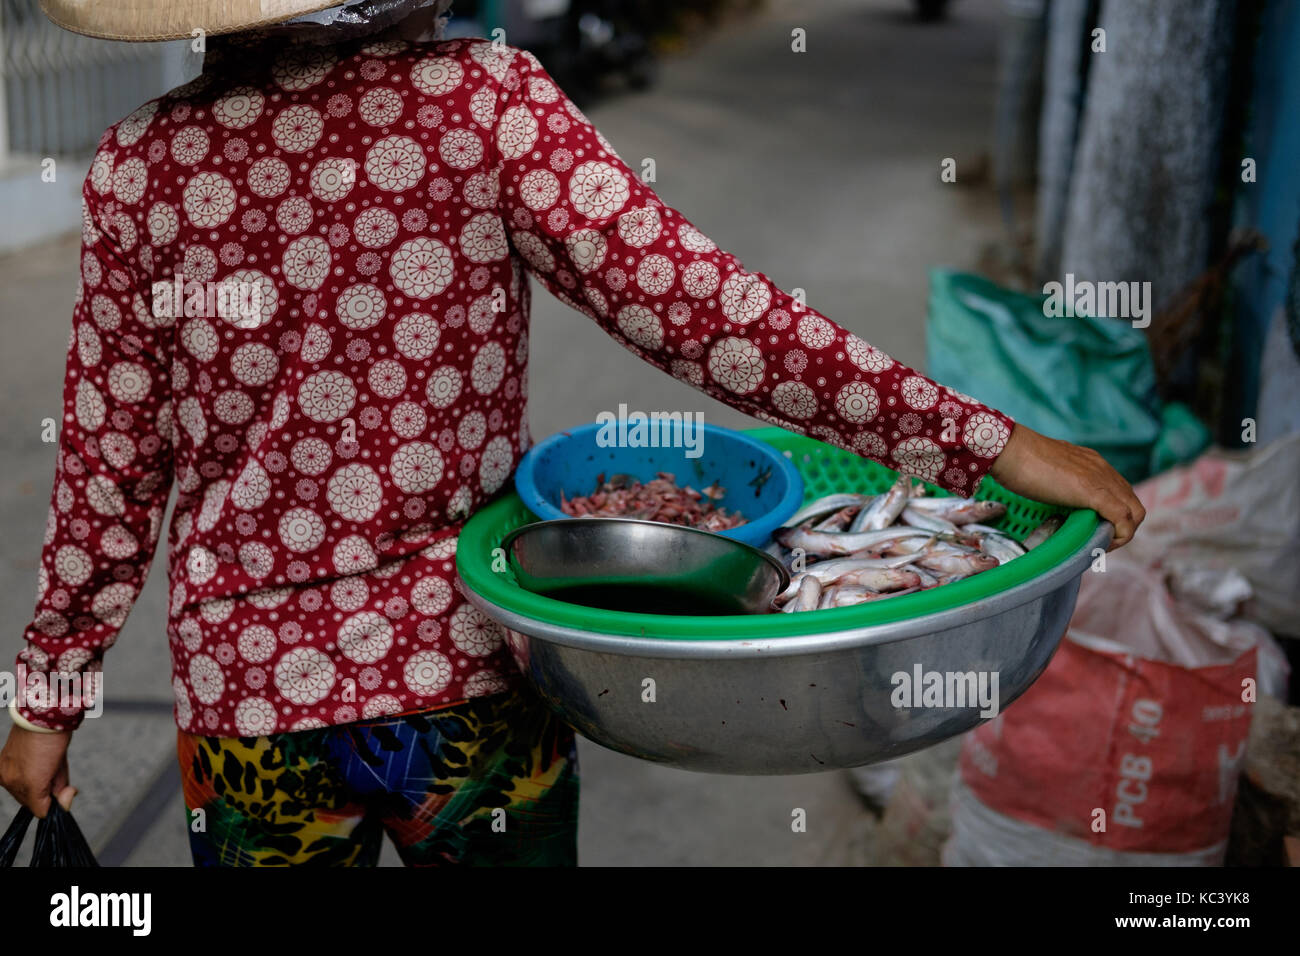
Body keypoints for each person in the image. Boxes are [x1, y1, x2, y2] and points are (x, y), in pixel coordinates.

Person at [0, 0, 1144, 866]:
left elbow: (109, 463)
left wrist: (48, 700)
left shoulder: (140, 168)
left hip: (247, 705)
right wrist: (981, 442)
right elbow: (713, 318)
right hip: (463, 678)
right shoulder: (481, 104)